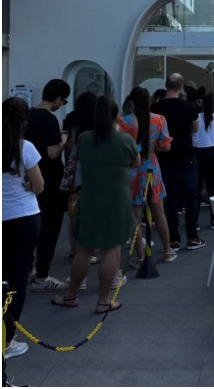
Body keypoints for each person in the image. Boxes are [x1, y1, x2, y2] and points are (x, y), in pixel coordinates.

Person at [51, 97, 138, 313]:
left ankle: (71, 295)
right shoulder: (124, 140)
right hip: (117, 199)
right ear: (116, 116)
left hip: (90, 198)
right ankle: (103, 300)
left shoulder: (84, 139)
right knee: (111, 249)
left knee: (84, 249)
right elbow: (135, 163)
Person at [2, 97, 45, 362]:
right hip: (24, 216)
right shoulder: (24, 147)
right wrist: (28, 186)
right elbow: (39, 185)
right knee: (17, 279)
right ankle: (6, 339)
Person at [119, 87, 175, 264]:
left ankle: (140, 256)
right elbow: (166, 146)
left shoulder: (123, 121)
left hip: (131, 170)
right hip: (152, 167)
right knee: (158, 211)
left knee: (134, 215)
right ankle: (167, 250)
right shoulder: (159, 120)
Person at [26, 78, 71, 292]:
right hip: (50, 181)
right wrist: (64, 140)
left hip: (28, 180)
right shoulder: (50, 120)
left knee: (31, 227)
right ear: (58, 98)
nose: (63, 104)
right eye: (64, 100)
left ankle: (28, 267)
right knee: (49, 229)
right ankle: (42, 276)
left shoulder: (27, 115)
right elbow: (53, 153)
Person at [152, 73, 205, 251]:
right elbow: (196, 130)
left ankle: (173, 239)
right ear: (181, 88)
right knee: (191, 196)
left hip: (165, 157)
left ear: (166, 85)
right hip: (186, 156)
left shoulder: (156, 107)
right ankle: (192, 237)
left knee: (171, 198)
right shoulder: (189, 107)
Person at [61, 92, 98, 262]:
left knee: (73, 211)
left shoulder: (73, 124)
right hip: (91, 174)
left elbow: (68, 148)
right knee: (90, 212)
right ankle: (87, 249)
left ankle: (74, 248)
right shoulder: (95, 127)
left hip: (74, 173)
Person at [193, 92, 214, 228]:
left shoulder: (197, 117)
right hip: (212, 152)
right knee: (212, 188)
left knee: (196, 189)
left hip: (198, 153)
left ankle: (194, 221)